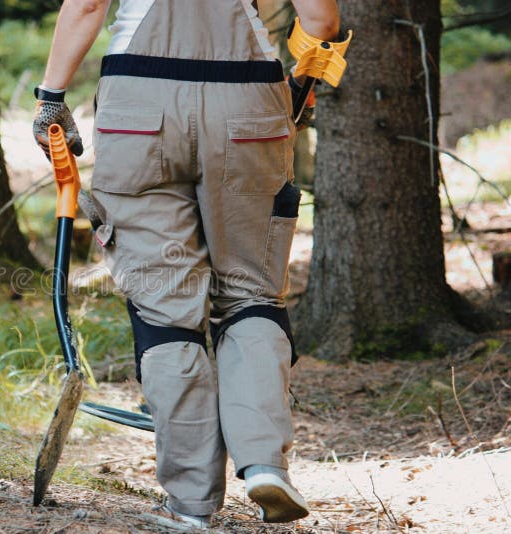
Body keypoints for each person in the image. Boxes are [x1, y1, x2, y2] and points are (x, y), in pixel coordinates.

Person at [33, 0, 340, 528]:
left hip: (138, 109)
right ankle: (264, 461)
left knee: (165, 308)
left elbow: (86, 5)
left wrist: (51, 99)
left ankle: (191, 503)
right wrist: (300, 82)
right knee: (251, 294)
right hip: (249, 103)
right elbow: (322, 20)